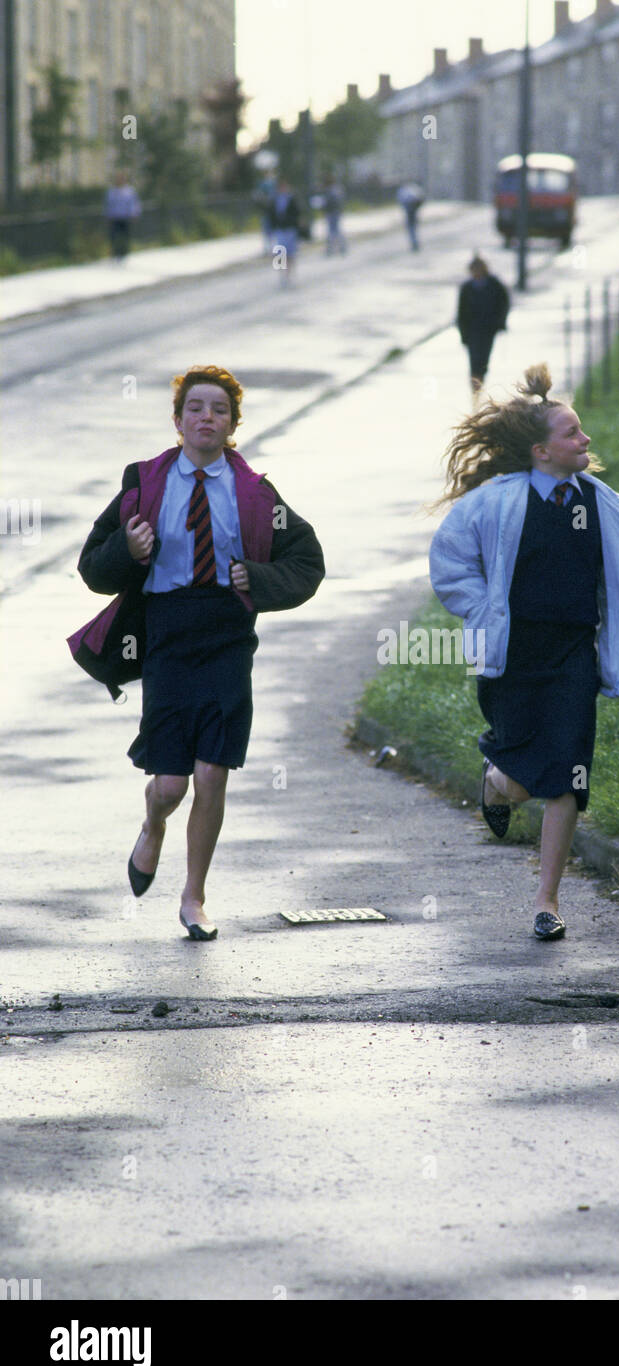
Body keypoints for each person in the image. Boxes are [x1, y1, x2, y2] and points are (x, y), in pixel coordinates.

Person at [69, 366, 325, 940]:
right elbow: (92, 564)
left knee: (212, 774)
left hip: (228, 635)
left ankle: (194, 897)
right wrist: (129, 550)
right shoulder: (144, 483)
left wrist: (255, 578)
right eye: (196, 408)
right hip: (167, 634)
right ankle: (152, 825)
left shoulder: (257, 493)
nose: (207, 417)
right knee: (171, 785)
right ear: (178, 420)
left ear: (233, 423)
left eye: (219, 410)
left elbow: (307, 561)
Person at [428, 363, 619, 942]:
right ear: (541, 450)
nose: (585, 441)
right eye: (573, 433)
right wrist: (481, 611)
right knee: (527, 775)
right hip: (513, 656)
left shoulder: (603, 506)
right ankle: (497, 781)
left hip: (574, 654)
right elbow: (450, 562)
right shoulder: (497, 502)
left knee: (568, 778)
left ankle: (547, 900)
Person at [457, 255, 510, 394]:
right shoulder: (467, 288)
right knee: (474, 360)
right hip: (472, 331)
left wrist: (500, 322)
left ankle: (480, 382)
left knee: (484, 360)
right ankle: (475, 388)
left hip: (488, 330)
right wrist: (463, 334)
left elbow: (504, 303)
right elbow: (461, 312)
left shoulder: (494, 284)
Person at [266, 178, 305, 285]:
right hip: (280, 229)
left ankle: (290, 274)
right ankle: (282, 275)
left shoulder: (292, 199)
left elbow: (298, 213)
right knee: (280, 253)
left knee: (290, 253)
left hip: (290, 229)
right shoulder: (274, 200)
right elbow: (271, 214)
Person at [103, 170, 142, 261]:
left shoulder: (129, 191)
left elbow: (134, 203)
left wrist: (134, 214)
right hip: (115, 217)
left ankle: (124, 253)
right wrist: (107, 215)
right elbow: (108, 204)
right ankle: (115, 253)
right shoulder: (111, 192)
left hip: (125, 217)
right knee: (114, 236)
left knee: (125, 236)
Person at [396, 181, 424, 251]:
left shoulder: (403, 191)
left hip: (410, 211)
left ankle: (414, 243)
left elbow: (401, 201)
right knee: (413, 227)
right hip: (413, 210)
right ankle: (415, 242)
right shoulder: (413, 189)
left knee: (411, 227)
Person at [322, 176, 347, 255]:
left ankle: (334, 248)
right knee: (334, 231)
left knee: (333, 231)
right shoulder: (336, 190)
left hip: (333, 212)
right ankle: (338, 247)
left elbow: (333, 202)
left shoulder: (332, 191)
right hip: (334, 212)